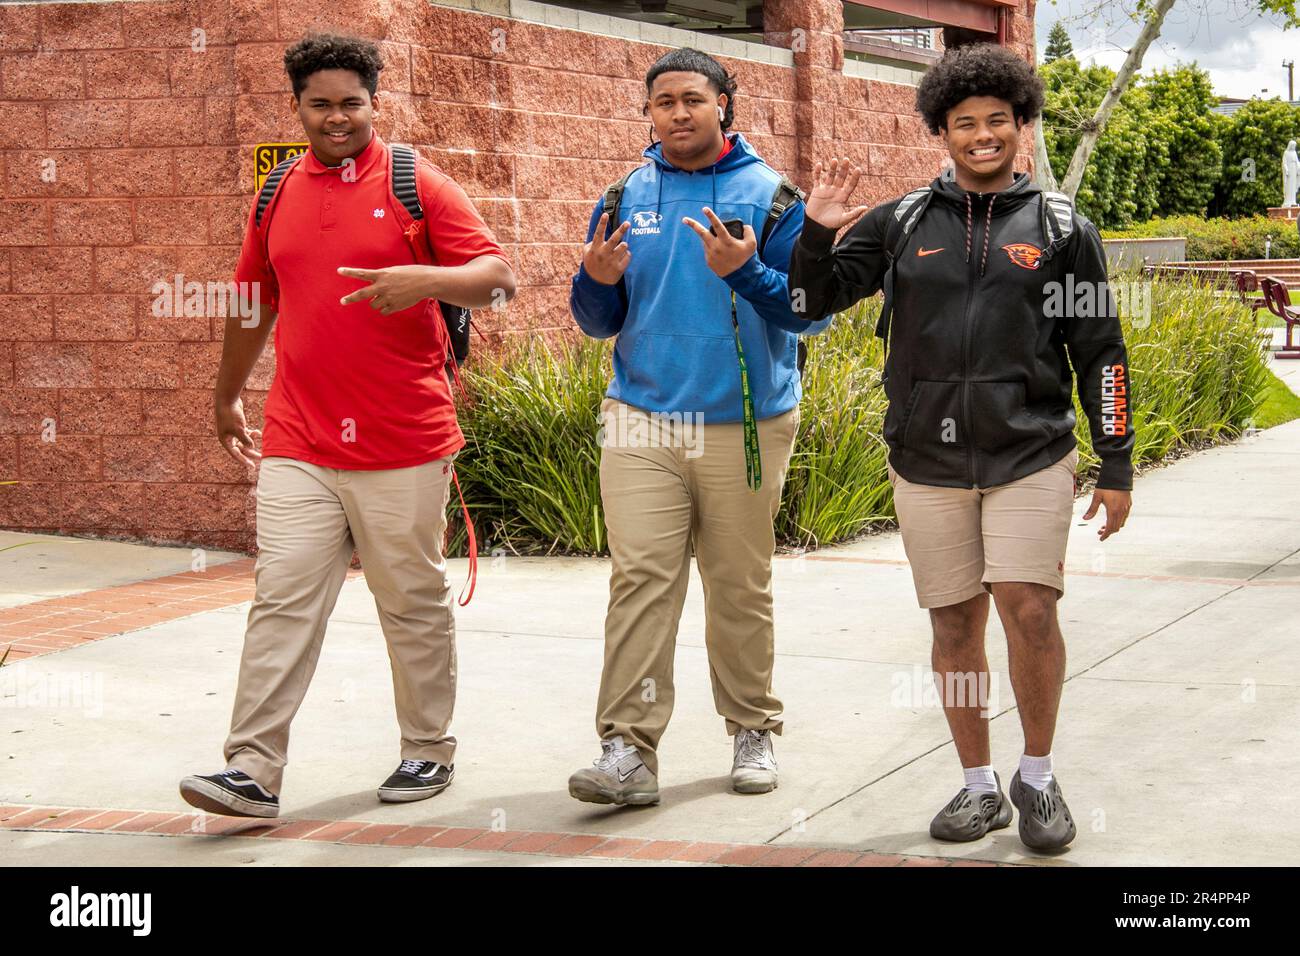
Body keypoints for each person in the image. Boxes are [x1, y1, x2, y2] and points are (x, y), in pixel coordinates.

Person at [788, 42, 1134, 850]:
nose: (982, 135)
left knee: (1031, 611)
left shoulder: (1061, 228)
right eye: (964, 123)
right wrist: (814, 232)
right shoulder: (903, 221)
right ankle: (978, 786)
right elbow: (809, 300)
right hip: (928, 461)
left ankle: (1038, 780)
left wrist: (1116, 461)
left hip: (1030, 454)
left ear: (1023, 127)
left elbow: (1102, 350)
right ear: (942, 132)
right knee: (952, 626)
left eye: (997, 122)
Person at [179, 33, 515, 818]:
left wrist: (424, 279)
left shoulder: (414, 182)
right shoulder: (274, 193)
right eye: (319, 105)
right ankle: (252, 772)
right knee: (282, 597)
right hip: (299, 435)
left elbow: (497, 281)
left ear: (374, 102)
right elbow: (252, 301)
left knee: (410, 599)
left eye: (351, 104)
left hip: (403, 437)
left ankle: (427, 751)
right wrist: (226, 394)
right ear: (296, 106)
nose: (336, 119)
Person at [566, 47, 829, 806]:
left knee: (738, 585)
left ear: (725, 105)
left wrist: (746, 272)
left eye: (693, 99)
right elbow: (595, 322)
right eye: (663, 102)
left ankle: (752, 730)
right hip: (642, 418)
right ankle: (628, 750)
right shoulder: (623, 193)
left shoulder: (773, 198)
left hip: (742, 424)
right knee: (641, 581)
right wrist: (596, 282)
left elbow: (812, 316)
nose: (678, 113)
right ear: (648, 112)